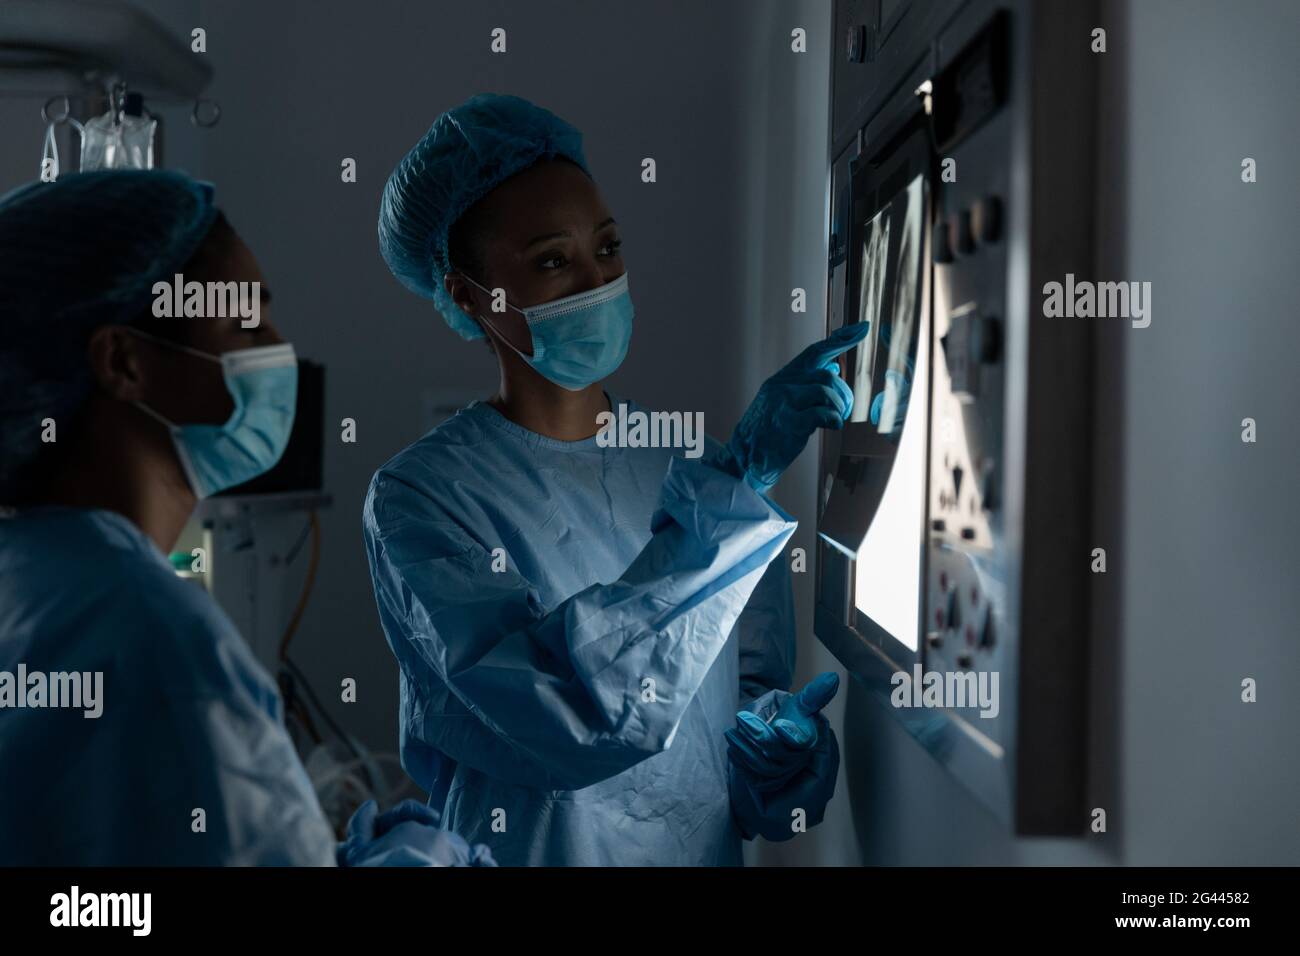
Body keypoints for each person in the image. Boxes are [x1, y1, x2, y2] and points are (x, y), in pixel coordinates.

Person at [365, 93, 870, 865]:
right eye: (551, 260)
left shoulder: (694, 465)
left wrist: (775, 751)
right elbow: (565, 715)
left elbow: (734, 729)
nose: (594, 282)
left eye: (606, 248)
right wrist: (734, 485)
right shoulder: (422, 498)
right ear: (468, 295)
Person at [0, 170, 492, 867]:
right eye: (244, 321)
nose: (278, 350)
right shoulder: (155, 637)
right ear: (123, 361)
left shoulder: (30, 574)